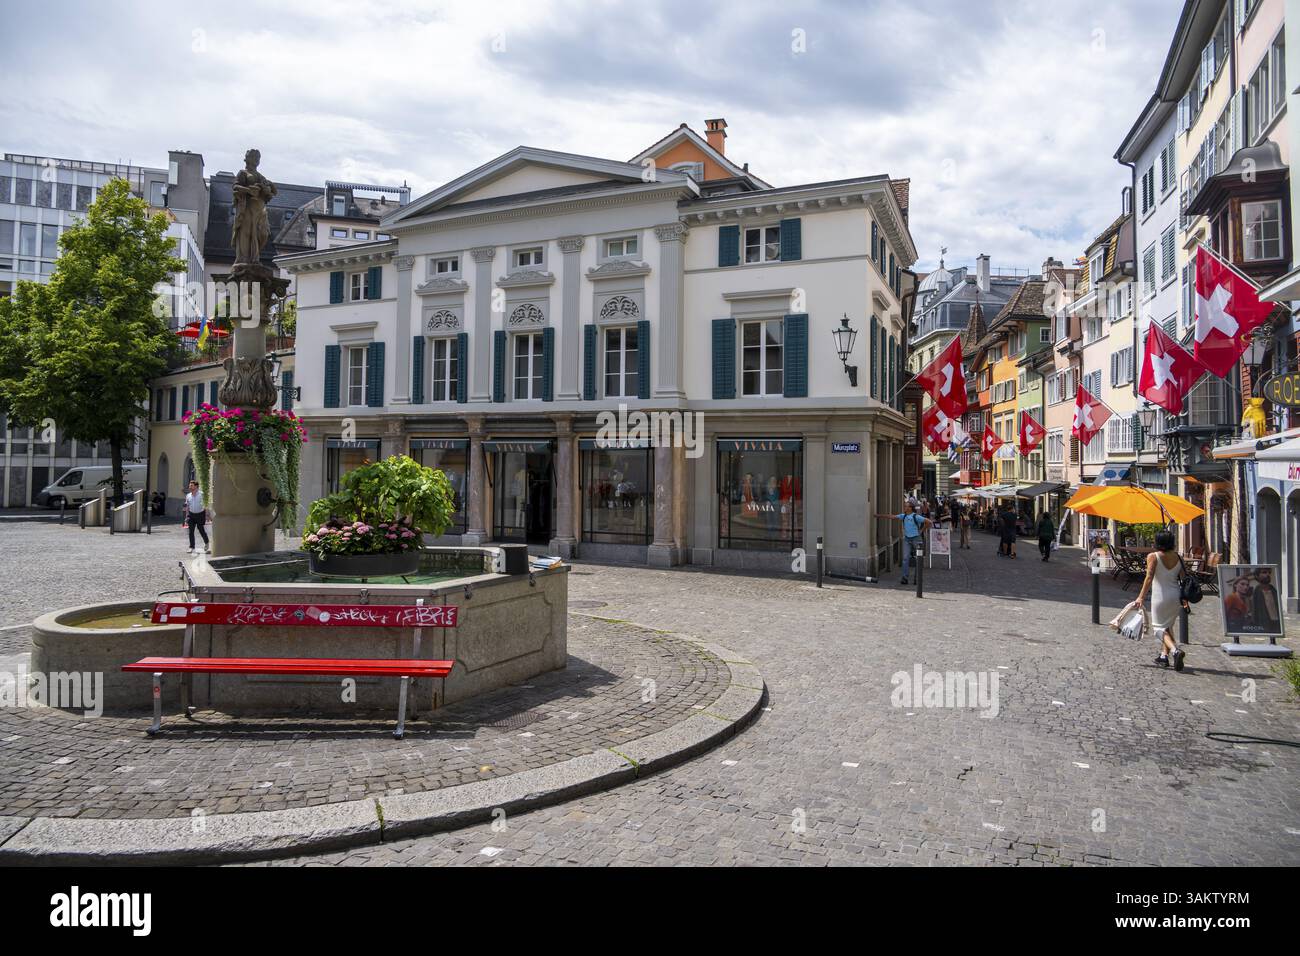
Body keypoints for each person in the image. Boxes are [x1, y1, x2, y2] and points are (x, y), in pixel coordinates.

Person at [1134, 530, 1187, 671]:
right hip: (1176, 596)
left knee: (1158, 628)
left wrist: (1141, 596)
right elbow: (1183, 577)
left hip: (1160, 596)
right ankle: (1164, 656)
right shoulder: (1178, 557)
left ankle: (1175, 651)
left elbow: (1149, 577)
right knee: (1168, 626)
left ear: (1157, 542)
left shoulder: (1153, 556)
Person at [875, 501, 931, 586]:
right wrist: (879, 516)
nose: (904, 507)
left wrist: (922, 530)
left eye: (906, 506)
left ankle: (917, 578)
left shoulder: (916, 516)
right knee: (905, 559)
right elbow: (892, 517)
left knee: (918, 559)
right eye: (905, 506)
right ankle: (905, 578)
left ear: (910, 508)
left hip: (916, 539)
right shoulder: (903, 516)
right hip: (907, 539)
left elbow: (929, 522)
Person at [1251, 568, 1281, 634]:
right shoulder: (1256, 591)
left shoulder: (1273, 590)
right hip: (1264, 622)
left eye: (1269, 573)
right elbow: (1254, 610)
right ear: (1257, 576)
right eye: (1264, 572)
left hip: (1277, 621)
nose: (1267, 574)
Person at [183, 479, 209, 555]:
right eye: (189, 486)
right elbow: (187, 506)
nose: (190, 487)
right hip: (191, 515)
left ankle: (206, 543)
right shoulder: (188, 495)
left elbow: (205, 505)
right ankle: (191, 547)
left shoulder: (202, 494)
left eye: (191, 486)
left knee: (201, 530)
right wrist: (186, 516)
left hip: (200, 514)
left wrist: (207, 515)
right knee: (191, 531)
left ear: (196, 487)